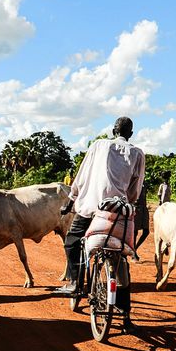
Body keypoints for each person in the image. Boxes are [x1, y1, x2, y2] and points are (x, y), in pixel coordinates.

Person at [54, 117, 146, 333]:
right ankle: (125, 317)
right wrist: (127, 201)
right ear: (131, 134)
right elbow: (136, 187)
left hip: (91, 208)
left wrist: (71, 200)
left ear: (113, 130)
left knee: (72, 241)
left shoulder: (99, 145)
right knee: (121, 260)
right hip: (117, 212)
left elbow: (82, 175)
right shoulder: (137, 153)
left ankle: (76, 282)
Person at [132, 183, 150, 261]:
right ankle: (133, 253)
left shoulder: (145, 184)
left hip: (144, 209)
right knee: (135, 232)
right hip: (136, 208)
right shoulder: (135, 182)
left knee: (146, 231)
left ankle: (134, 249)